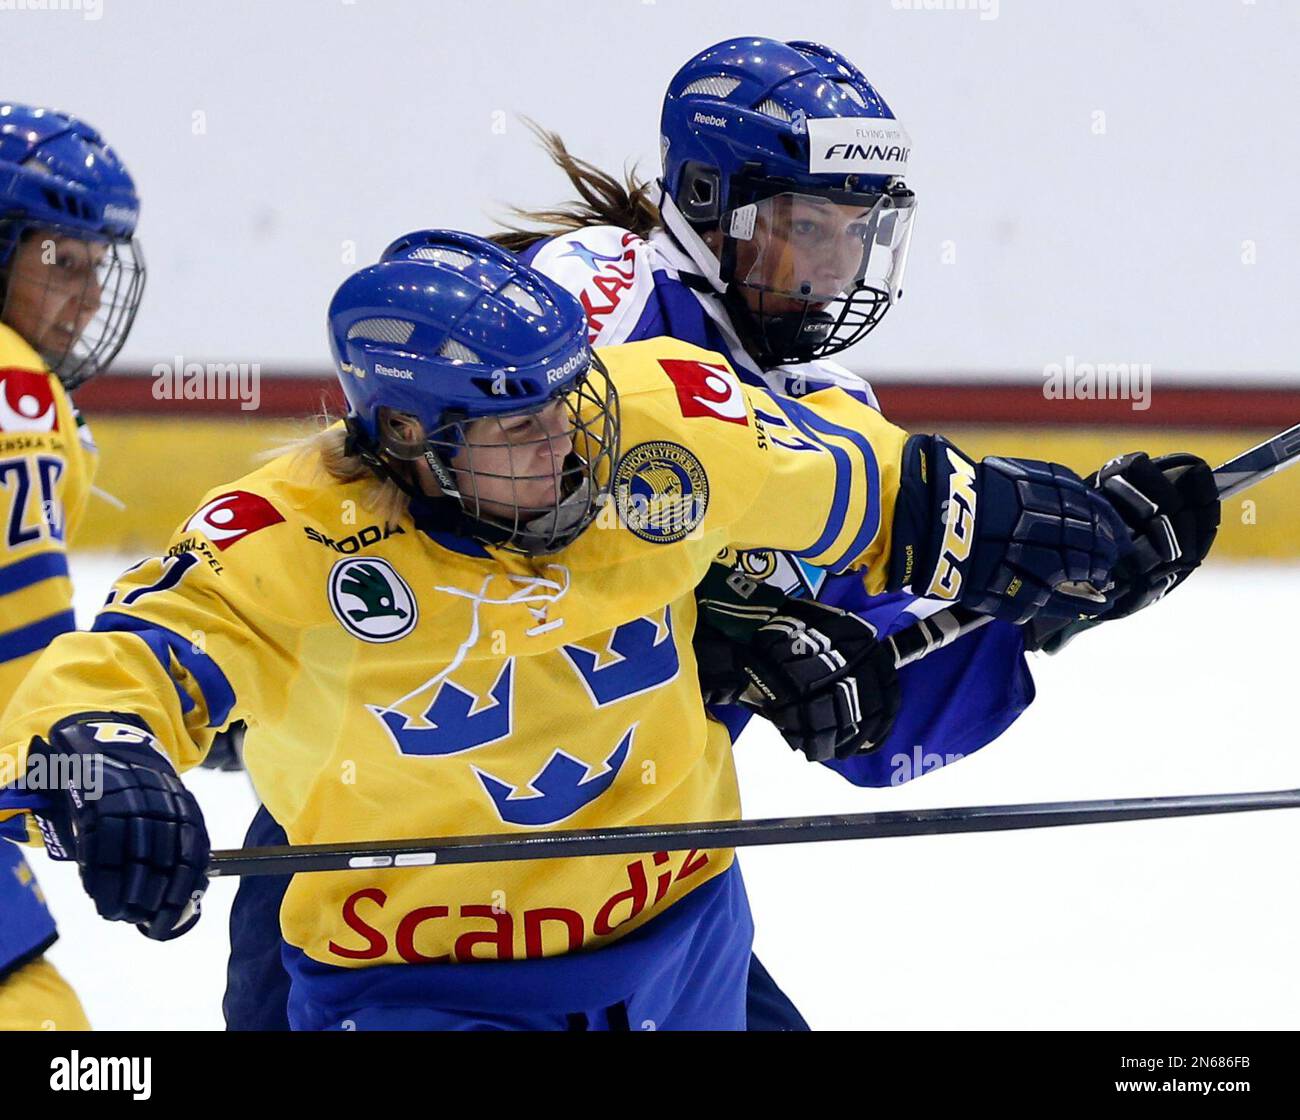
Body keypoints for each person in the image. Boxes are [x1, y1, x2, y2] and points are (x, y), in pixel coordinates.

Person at [1, 230, 1133, 1030]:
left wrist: (1064, 529)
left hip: (686, 947)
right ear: (405, 430)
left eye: (566, 399)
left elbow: (891, 494)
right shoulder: (288, 541)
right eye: (517, 424)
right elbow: (110, 671)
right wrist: (105, 764)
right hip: (427, 992)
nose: (566, 441)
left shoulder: (657, 424)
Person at [494, 36, 1221, 1025]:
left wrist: (1048, 596)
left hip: (643, 893)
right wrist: (729, 628)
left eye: (858, 229)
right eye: (807, 225)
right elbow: (495, 524)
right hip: (422, 893)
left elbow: (872, 715)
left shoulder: (827, 404)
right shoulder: (600, 292)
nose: (838, 265)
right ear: (708, 201)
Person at [0, 101, 146, 1030]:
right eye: (61, 260)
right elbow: (26, 636)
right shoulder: (14, 393)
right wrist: (69, 763)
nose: (88, 294)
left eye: (97, 267)